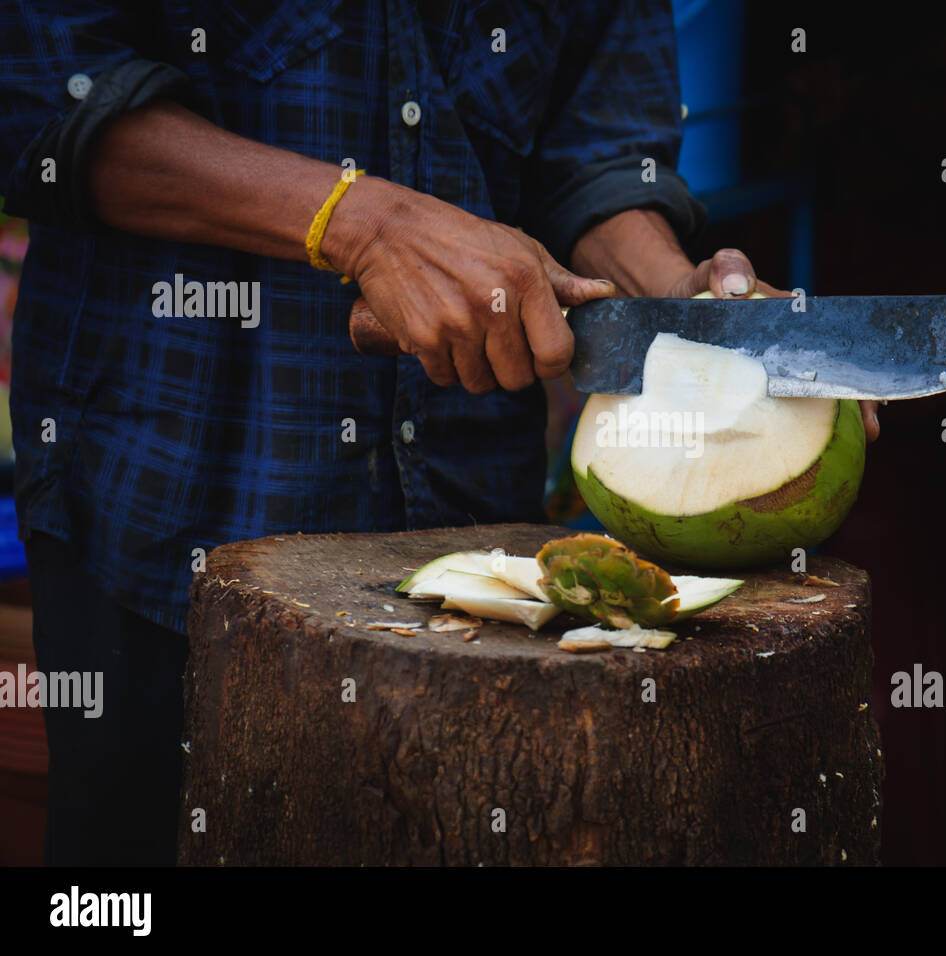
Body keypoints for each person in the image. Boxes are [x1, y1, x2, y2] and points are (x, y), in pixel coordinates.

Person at [1, 2, 879, 865]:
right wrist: (357, 221)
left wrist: (677, 305)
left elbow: (595, 162)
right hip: (165, 512)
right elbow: (41, 99)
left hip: (472, 537)